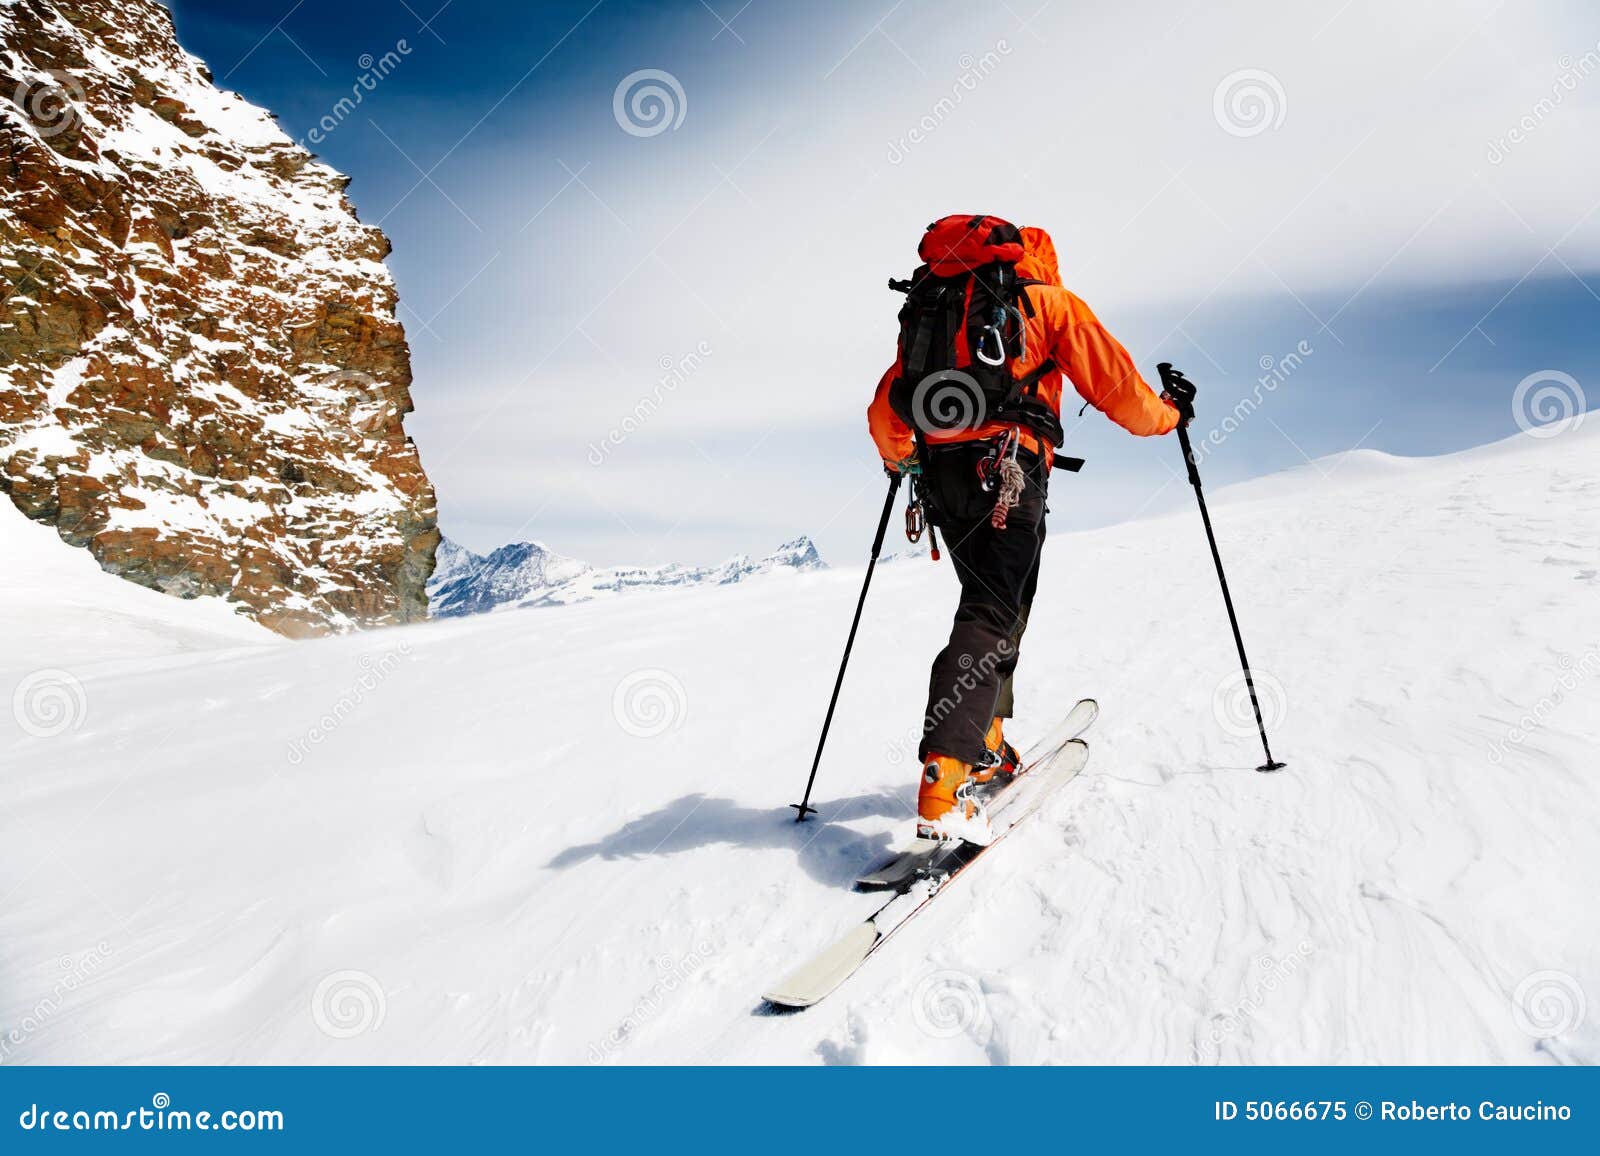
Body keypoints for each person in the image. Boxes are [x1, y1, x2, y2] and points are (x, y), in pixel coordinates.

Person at [867, 214, 1190, 844]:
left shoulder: (935, 308)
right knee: (991, 610)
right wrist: (1170, 416)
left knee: (994, 603)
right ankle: (945, 776)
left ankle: (984, 739)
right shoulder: (1046, 303)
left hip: (943, 480)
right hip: (1010, 471)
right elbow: (1120, 389)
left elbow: (890, 403)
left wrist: (899, 458)